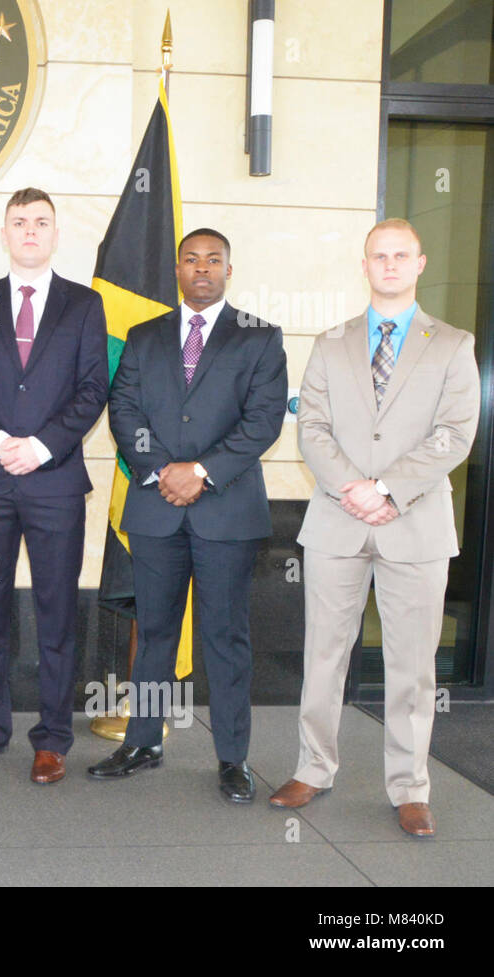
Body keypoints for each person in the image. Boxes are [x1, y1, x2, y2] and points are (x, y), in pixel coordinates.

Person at [270, 218, 478, 836]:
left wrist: (386, 488)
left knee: (412, 665)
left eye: (400, 255)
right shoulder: (332, 343)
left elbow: (455, 434)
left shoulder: (453, 344)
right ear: (364, 266)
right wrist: (354, 489)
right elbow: (312, 428)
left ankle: (410, 787)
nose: (388, 264)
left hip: (415, 526)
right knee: (324, 655)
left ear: (419, 264)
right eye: (377, 256)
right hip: (337, 521)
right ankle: (313, 767)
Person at [90, 228, 287, 802]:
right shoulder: (143, 335)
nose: (202, 269)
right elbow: (122, 409)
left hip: (225, 511)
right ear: (176, 269)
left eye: (213, 260)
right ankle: (143, 741)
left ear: (229, 268)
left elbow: (263, 421)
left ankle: (232, 758)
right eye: (191, 259)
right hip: (156, 508)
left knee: (225, 637)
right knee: (152, 634)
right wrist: (162, 470)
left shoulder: (259, 337)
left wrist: (197, 471)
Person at [0, 188, 109, 784]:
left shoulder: (84, 305)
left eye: (41, 222)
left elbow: (94, 390)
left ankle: (53, 738)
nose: (30, 231)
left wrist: (39, 447)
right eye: (20, 222)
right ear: (5, 233)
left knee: (56, 610)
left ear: (55, 233)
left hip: (56, 482)